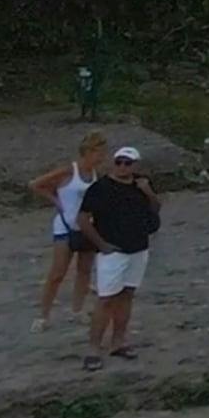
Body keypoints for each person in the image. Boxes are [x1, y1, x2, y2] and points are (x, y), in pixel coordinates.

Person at [77, 147, 155, 367]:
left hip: (138, 248)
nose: (122, 167)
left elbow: (155, 210)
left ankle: (118, 342)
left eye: (127, 163)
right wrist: (101, 244)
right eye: (119, 162)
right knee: (106, 298)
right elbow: (83, 218)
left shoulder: (141, 185)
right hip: (113, 251)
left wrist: (148, 192)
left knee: (127, 294)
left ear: (136, 165)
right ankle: (93, 349)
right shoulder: (100, 188)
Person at [32, 135, 104, 331]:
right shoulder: (68, 171)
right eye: (98, 152)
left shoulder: (96, 174)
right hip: (65, 225)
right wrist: (56, 201)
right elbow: (36, 184)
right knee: (57, 272)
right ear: (88, 152)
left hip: (88, 227)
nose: (101, 157)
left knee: (84, 270)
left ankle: (77, 310)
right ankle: (43, 316)